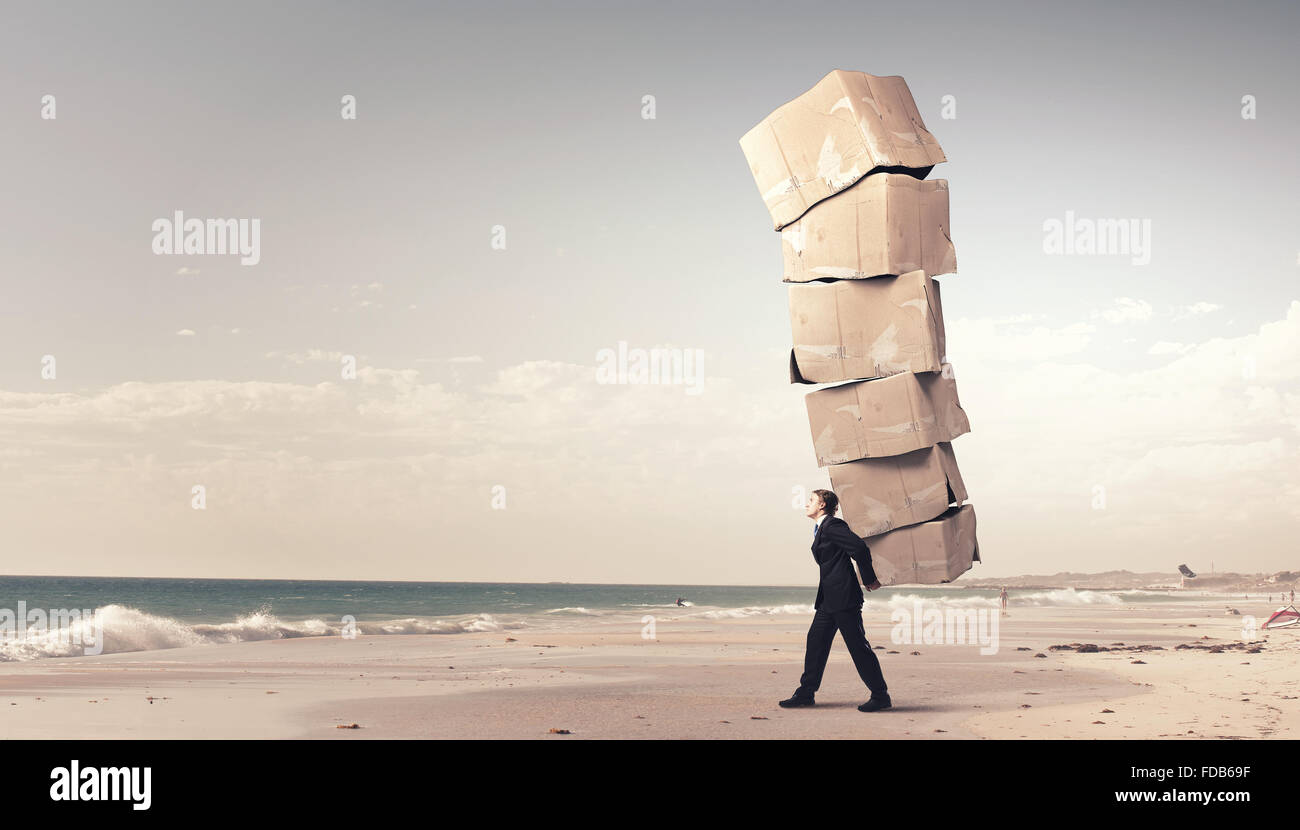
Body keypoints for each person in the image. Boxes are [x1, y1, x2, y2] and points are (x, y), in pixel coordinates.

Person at [779, 489, 891, 713]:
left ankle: (880, 696)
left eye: (811, 500)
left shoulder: (832, 525)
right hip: (829, 599)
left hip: (844, 597)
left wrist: (869, 579)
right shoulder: (822, 528)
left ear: (822, 505)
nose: (806, 504)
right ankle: (805, 693)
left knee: (858, 647)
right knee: (816, 641)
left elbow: (859, 547)